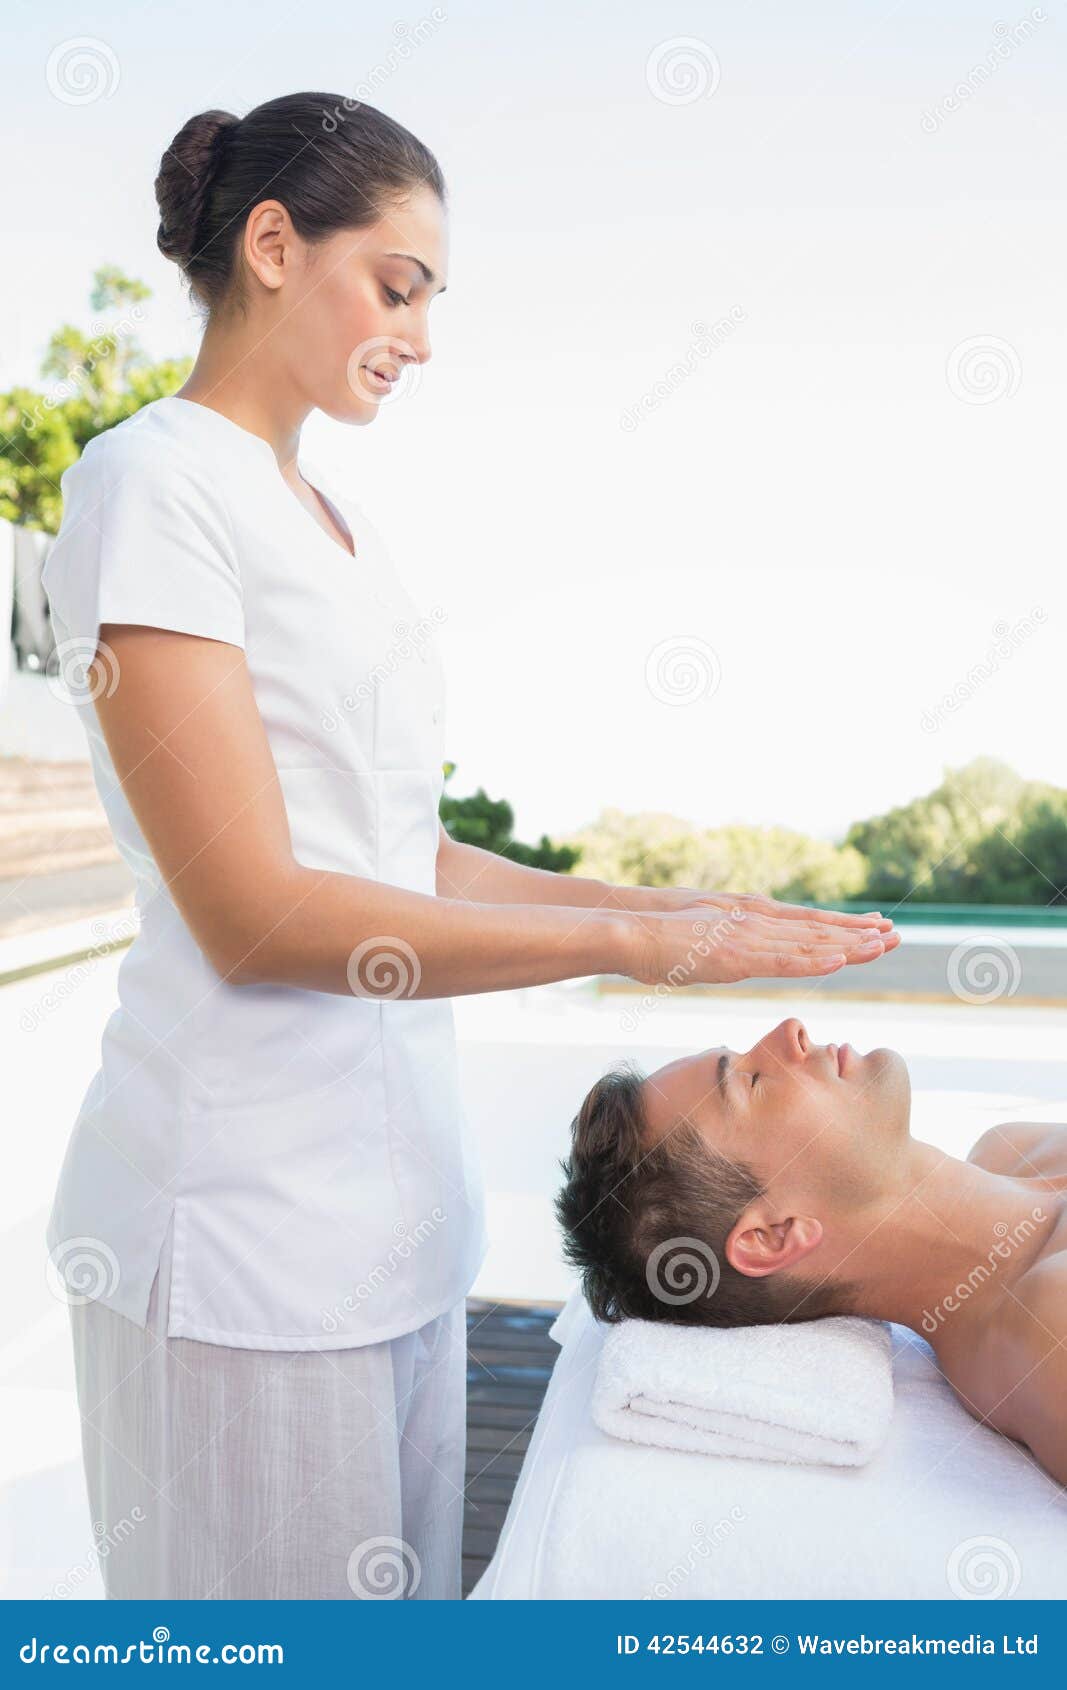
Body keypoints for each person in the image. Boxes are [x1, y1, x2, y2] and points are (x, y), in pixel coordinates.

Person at [42, 90, 898, 1600]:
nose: (422, 339)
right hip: (240, 1236)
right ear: (268, 246)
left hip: (393, 1230)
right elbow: (251, 910)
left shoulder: (334, 524)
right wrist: (629, 945)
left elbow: (404, 849)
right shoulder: (153, 482)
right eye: (397, 284)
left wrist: (665, 901)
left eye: (433, 299)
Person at [556, 1016, 1067, 1489]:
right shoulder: (1047, 1331)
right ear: (773, 1236)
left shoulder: (1012, 1147)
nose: (790, 1030)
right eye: (751, 1080)